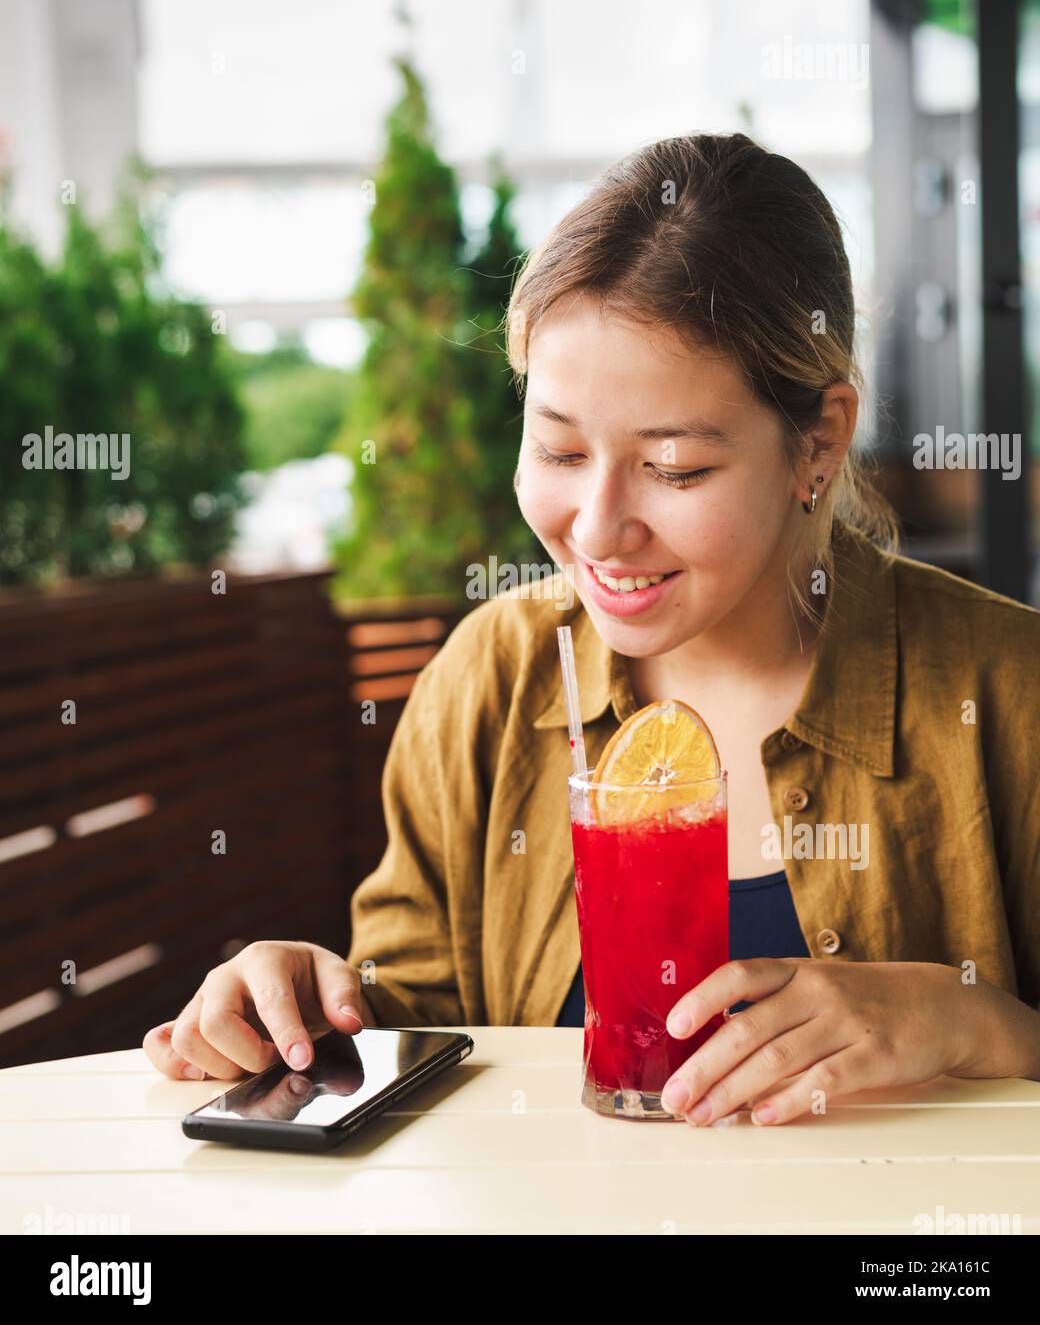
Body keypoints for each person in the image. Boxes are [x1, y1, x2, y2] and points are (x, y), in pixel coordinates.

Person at [144, 132, 1040, 1126]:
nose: (597, 528)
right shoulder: (491, 678)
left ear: (818, 440)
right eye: (558, 449)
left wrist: (974, 1023)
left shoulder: (1006, 693)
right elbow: (414, 1014)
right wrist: (309, 1006)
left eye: (674, 468)